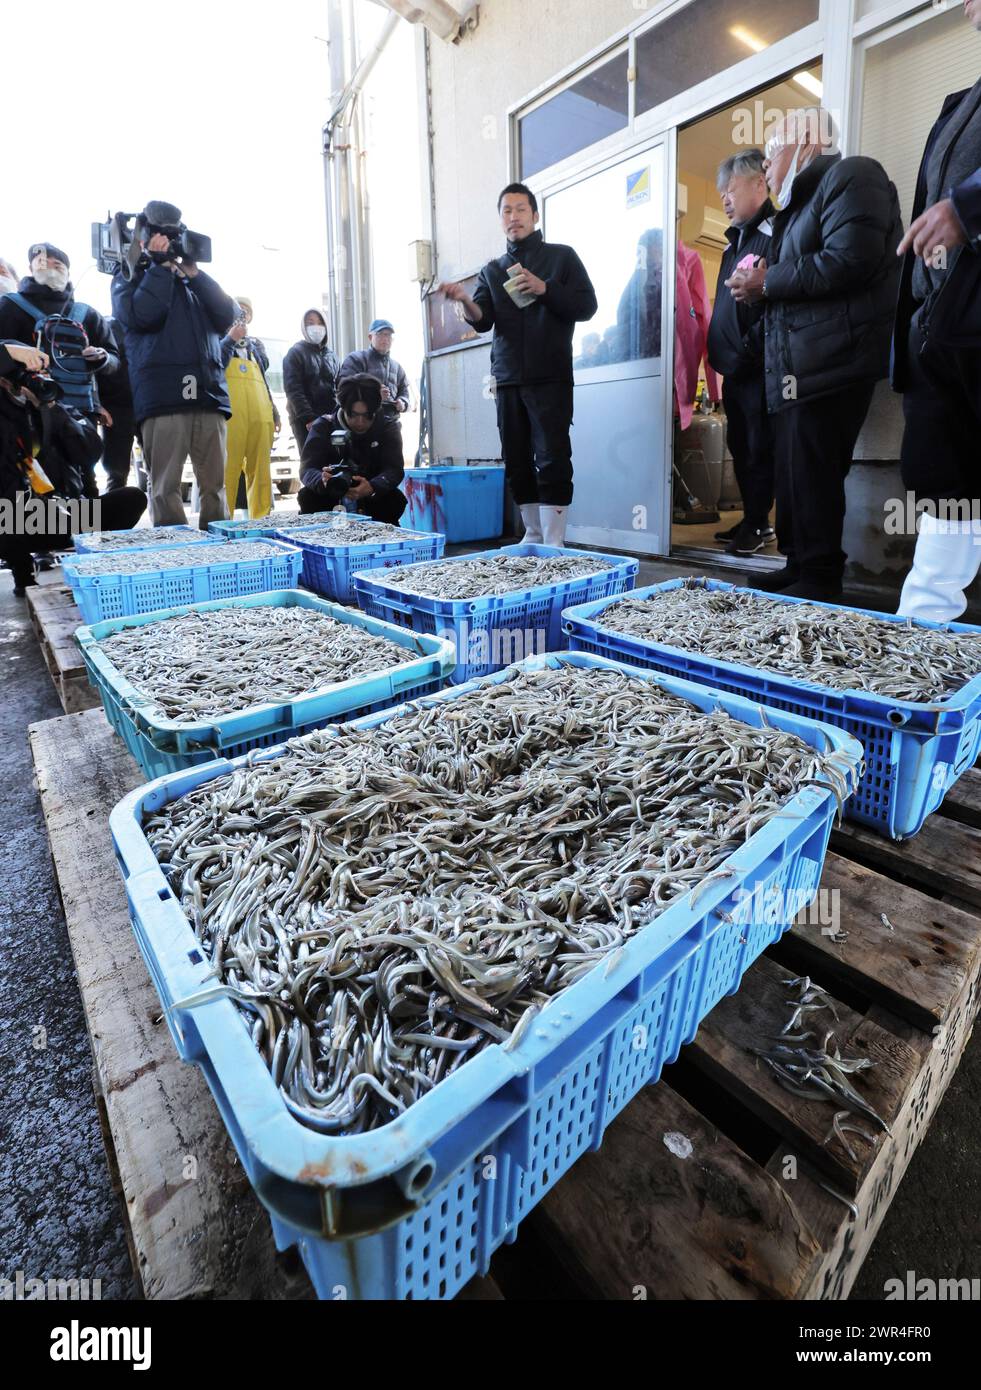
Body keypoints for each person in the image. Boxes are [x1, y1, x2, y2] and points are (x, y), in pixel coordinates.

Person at [728, 109, 902, 600]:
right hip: (798, 366)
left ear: (806, 142)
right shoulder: (795, 209)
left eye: (772, 152)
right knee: (794, 470)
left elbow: (852, 260)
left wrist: (769, 279)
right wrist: (763, 282)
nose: (766, 168)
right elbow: (799, 280)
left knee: (817, 471)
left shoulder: (853, 174)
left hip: (834, 360)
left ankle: (821, 578)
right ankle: (798, 562)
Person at [437, 182, 598, 548]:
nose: (514, 217)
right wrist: (463, 300)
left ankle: (555, 539)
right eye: (507, 211)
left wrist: (546, 289)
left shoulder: (562, 257)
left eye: (521, 209)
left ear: (535, 215)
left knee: (553, 455)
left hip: (550, 375)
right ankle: (533, 532)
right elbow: (482, 320)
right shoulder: (492, 270)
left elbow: (588, 306)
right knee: (516, 457)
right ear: (501, 220)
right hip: (507, 377)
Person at [894, 0, 981, 624]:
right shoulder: (958, 104)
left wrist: (969, 209)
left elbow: (954, 210)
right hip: (943, 328)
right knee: (946, 486)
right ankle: (924, 627)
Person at [112, 200, 238, 529]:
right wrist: (157, 268)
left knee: (215, 487)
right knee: (165, 488)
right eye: (159, 236)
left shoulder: (192, 279)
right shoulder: (127, 276)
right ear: (142, 239)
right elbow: (143, 316)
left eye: (172, 236)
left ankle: (222, 554)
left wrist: (195, 273)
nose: (167, 243)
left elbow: (227, 316)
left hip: (208, 396)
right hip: (162, 400)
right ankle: (175, 557)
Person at [1, 341, 146, 596]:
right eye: (27, 374)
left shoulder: (55, 408)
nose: (35, 381)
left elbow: (89, 452)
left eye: (39, 375)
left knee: (132, 497)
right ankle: (23, 576)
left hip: (63, 516)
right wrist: (8, 353)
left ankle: (95, 566)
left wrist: (50, 410)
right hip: (15, 520)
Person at [707, 150, 776, 556]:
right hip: (734, 367)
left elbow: (778, 303)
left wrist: (749, 350)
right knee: (741, 444)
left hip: (760, 365)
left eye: (730, 191)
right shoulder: (734, 243)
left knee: (758, 447)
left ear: (758, 184)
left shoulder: (774, 233)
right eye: (721, 195)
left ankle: (757, 523)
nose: (725, 200)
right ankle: (755, 521)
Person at [0, 243, 119, 417]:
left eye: (58, 263)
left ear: (68, 273)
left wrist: (103, 358)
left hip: (81, 414)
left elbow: (114, 360)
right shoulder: (10, 306)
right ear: (30, 268)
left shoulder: (88, 314)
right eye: (43, 260)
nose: (51, 263)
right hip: (24, 412)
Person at [298, 374, 407, 524]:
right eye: (354, 415)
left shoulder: (388, 428)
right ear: (343, 408)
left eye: (367, 415)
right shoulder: (323, 426)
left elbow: (394, 469)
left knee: (393, 499)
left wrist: (373, 486)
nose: (360, 422)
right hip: (329, 499)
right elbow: (307, 469)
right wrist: (322, 480)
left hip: (374, 500)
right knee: (308, 496)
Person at [220, 297, 280, 519]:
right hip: (231, 414)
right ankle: (224, 521)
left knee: (261, 470)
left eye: (246, 312)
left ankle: (261, 519)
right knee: (229, 468)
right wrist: (230, 338)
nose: (242, 314)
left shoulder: (256, 345)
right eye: (238, 310)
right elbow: (214, 364)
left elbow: (263, 376)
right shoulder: (219, 339)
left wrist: (274, 413)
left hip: (260, 412)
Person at [283, 309, 340, 453]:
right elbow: (293, 390)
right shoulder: (295, 353)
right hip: (305, 422)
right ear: (304, 327)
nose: (316, 327)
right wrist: (308, 418)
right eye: (310, 323)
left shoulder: (332, 355)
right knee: (311, 463)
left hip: (330, 418)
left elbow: (338, 386)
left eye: (320, 323)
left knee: (333, 463)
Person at [339, 320, 410, 426]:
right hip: (364, 422)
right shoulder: (356, 359)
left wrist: (403, 403)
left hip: (391, 422)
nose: (385, 339)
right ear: (370, 337)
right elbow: (344, 389)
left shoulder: (397, 367)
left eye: (389, 335)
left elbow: (404, 392)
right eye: (380, 334)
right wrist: (374, 394)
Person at [98, 319, 139, 491]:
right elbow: (96, 368)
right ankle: (113, 515)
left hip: (147, 405)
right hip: (115, 408)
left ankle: (161, 517)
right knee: (116, 473)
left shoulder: (151, 320)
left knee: (158, 471)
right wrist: (98, 405)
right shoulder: (107, 326)